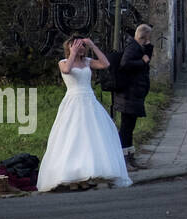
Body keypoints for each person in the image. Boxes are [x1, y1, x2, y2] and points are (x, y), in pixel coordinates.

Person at [36, 36, 132, 192]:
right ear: (70, 47)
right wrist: (72, 53)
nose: (81, 48)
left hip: (89, 100)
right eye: (78, 45)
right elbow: (67, 70)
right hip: (73, 101)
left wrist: (93, 46)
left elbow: (105, 64)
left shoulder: (87, 61)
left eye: (82, 46)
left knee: (92, 137)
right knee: (73, 136)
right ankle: (72, 177)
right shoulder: (63, 62)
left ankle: (88, 175)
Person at [115, 24, 153, 168]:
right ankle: (124, 159)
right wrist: (141, 62)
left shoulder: (139, 48)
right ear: (145, 36)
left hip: (134, 95)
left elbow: (147, 59)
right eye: (149, 37)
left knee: (129, 127)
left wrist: (148, 49)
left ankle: (130, 157)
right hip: (128, 95)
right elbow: (125, 64)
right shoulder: (132, 48)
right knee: (126, 128)